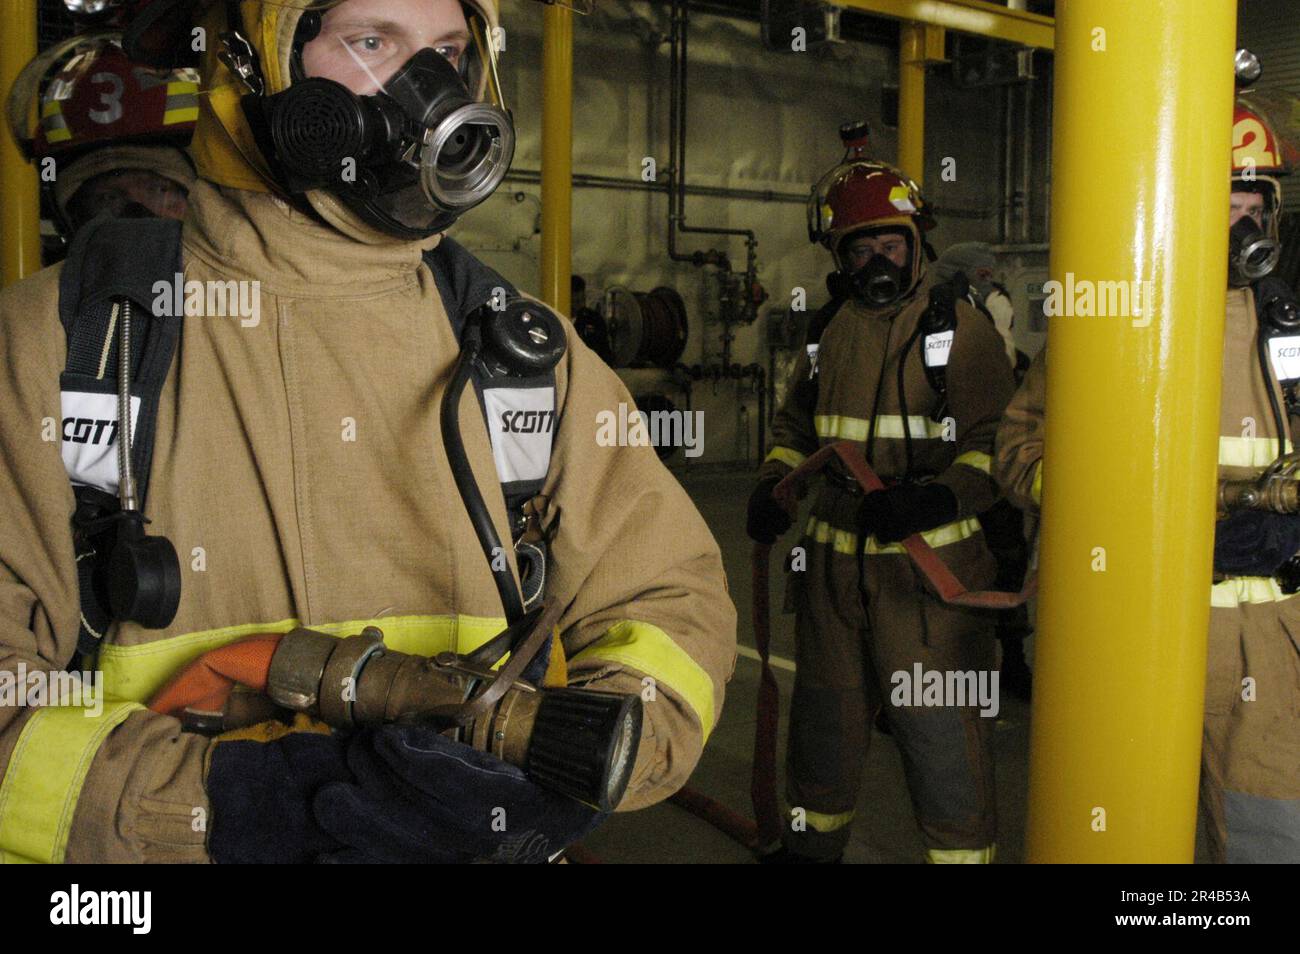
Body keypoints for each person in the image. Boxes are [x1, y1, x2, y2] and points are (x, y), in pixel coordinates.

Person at [0, 0, 736, 864]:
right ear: (252, 64)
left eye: (449, 51)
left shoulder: (523, 354)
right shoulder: (60, 345)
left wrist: (593, 760)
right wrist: (232, 810)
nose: (427, 92)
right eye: (372, 40)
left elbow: (668, 604)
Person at [993, 97, 1300, 863]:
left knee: (1266, 842)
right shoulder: (1107, 323)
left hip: (1268, 650)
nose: (1236, 226)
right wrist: (1114, 513)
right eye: (1216, 205)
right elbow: (1016, 451)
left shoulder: (1292, 329)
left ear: (1271, 215)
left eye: (1248, 205)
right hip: (1129, 634)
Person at [747, 121, 1015, 863]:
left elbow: (999, 443)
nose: (876, 261)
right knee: (822, 741)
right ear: (838, 258)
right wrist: (774, 483)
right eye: (857, 249)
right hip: (832, 584)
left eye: (889, 244)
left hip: (930, 587)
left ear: (917, 243)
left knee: (945, 751)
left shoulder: (962, 332)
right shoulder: (829, 333)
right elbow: (795, 424)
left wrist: (939, 499)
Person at [933, 241, 1034, 699]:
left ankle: (1010, 662)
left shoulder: (1010, 349)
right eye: (979, 276)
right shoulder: (932, 333)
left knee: (1007, 565)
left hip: (993, 482)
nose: (990, 286)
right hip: (942, 481)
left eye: (993, 276)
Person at [5, 32, 196, 254]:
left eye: (159, 190)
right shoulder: (34, 290)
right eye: (107, 199)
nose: (135, 221)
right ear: (68, 217)